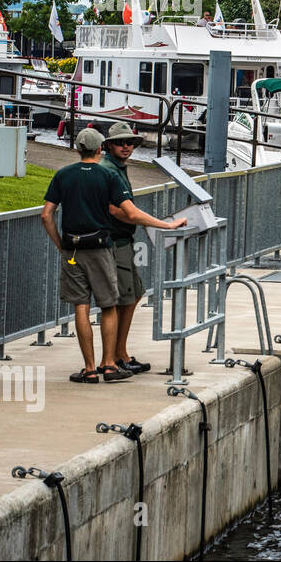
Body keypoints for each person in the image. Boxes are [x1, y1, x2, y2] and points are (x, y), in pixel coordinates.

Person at [40, 128, 186, 383]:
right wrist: (168, 225)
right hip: (101, 247)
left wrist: (60, 245)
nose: (127, 147)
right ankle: (109, 364)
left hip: (73, 249)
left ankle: (89, 369)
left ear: (78, 149)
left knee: (81, 308)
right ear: (100, 149)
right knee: (109, 306)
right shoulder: (108, 175)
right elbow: (129, 213)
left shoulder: (63, 175)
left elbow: (46, 214)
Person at [99, 122, 166, 374]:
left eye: (130, 142)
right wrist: (152, 222)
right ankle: (117, 356)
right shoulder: (110, 170)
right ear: (108, 145)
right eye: (120, 142)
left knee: (134, 294)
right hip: (116, 243)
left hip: (123, 242)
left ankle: (118, 352)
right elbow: (116, 209)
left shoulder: (116, 168)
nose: (126, 146)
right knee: (122, 298)